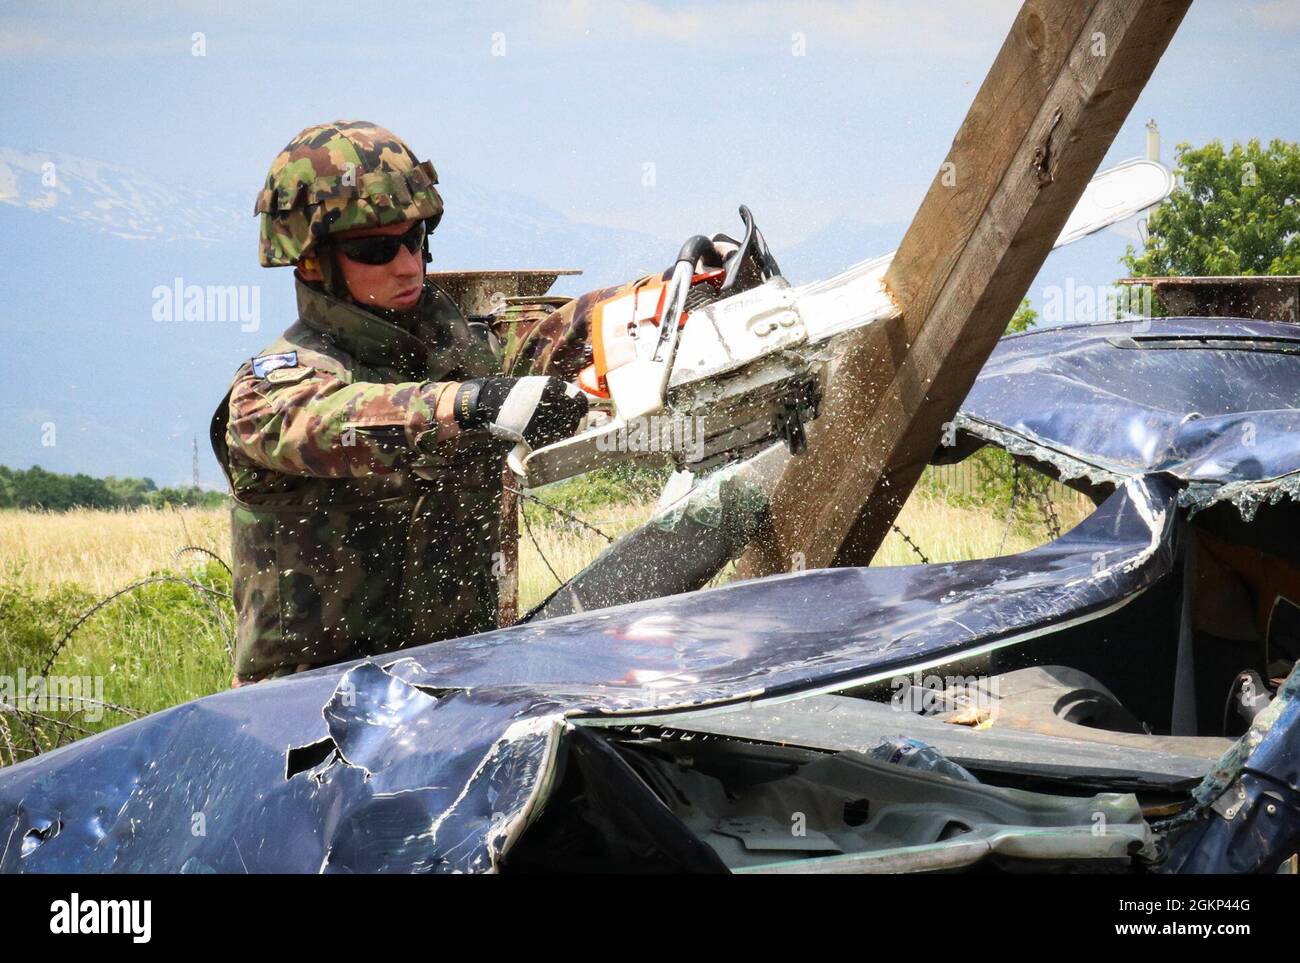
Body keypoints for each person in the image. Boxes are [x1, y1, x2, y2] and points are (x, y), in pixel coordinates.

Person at [210, 120, 589, 686]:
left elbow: (559, 334)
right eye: (376, 249)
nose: (408, 264)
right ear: (311, 260)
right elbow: (329, 421)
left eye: (415, 240)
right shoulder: (272, 389)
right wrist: (464, 406)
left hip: (461, 692)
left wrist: (681, 295)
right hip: (312, 720)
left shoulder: (466, 353)